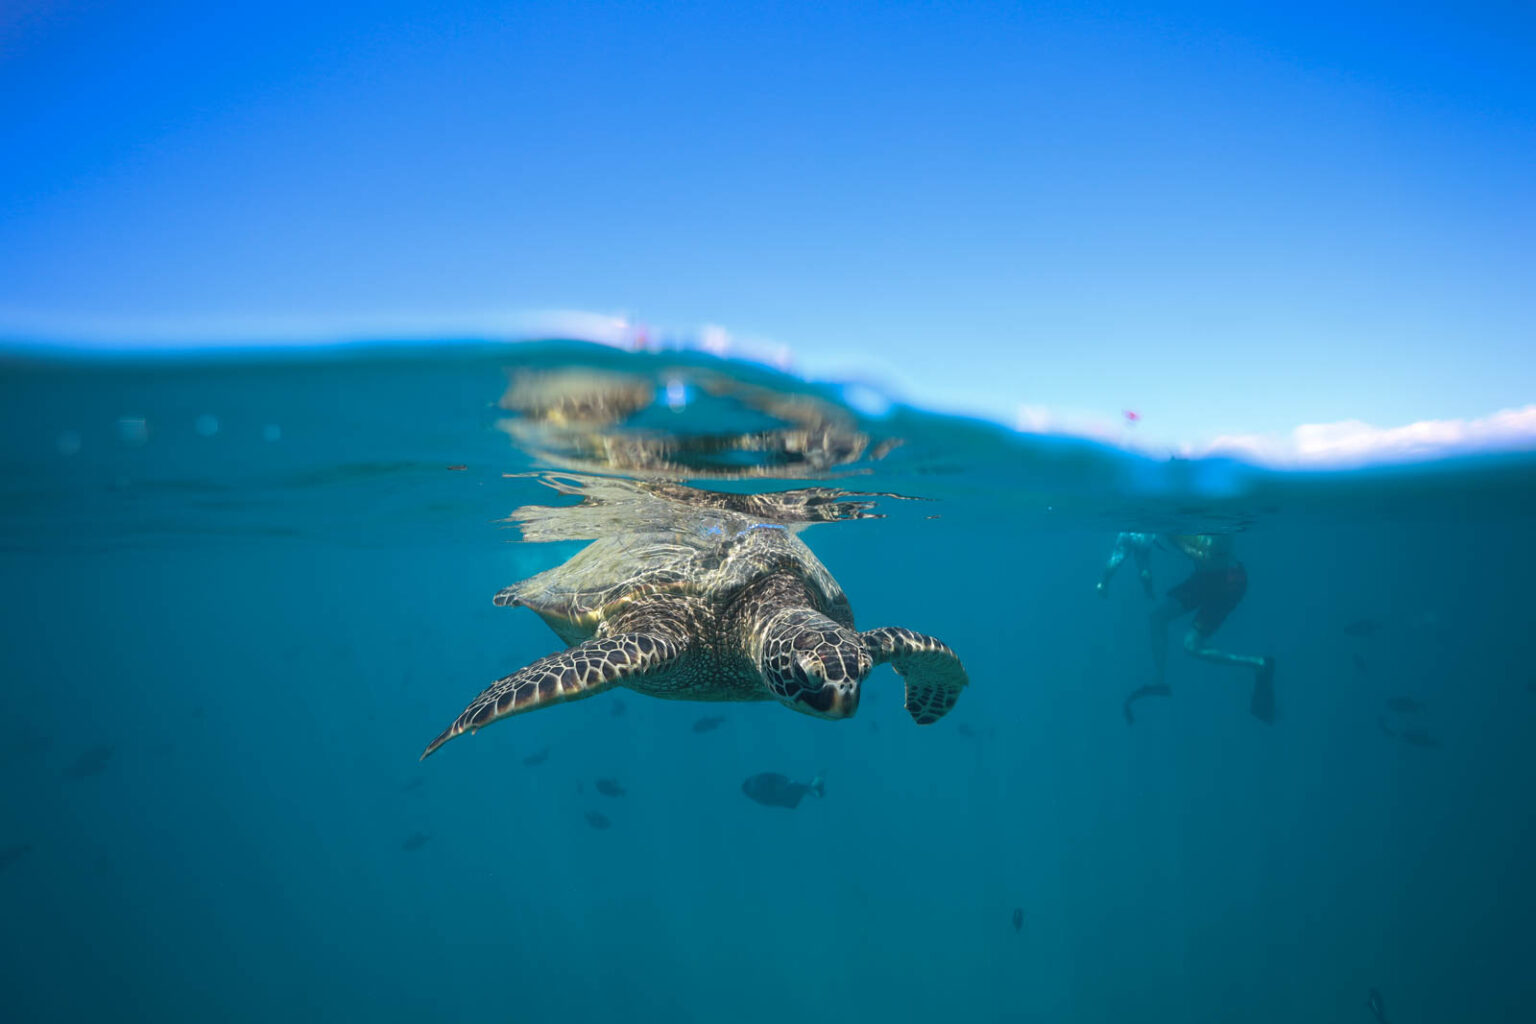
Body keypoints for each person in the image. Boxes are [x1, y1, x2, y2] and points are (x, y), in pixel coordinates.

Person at [1119, 533, 1276, 724]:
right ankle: (1159, 680)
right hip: (1204, 577)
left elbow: (1208, 556)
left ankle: (1259, 664)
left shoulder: (1218, 521)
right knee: (1157, 618)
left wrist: (1173, 536)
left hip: (1229, 581)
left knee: (1191, 646)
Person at [1096, 532, 1159, 598]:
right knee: (1144, 566)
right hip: (1142, 534)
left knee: (1116, 558)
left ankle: (1103, 584)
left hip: (1126, 533)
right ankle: (1149, 593)